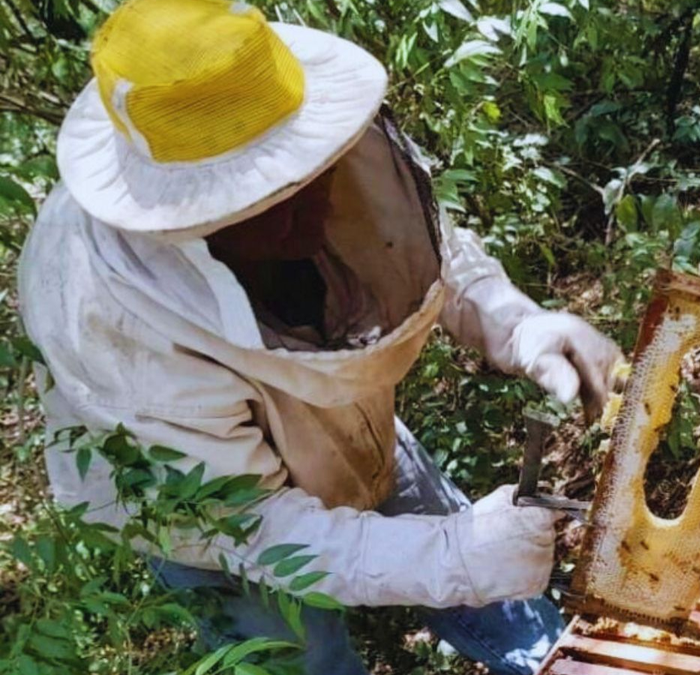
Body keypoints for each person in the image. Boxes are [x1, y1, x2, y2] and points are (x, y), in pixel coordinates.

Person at [17, 0, 622, 672]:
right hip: (222, 528)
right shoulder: (107, 314)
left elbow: (418, 245)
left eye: (305, 175)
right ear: (175, 217)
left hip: (352, 432)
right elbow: (253, 526)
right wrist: (446, 556)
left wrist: (509, 317)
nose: (308, 214)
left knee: (494, 574)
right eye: (258, 206)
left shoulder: (335, 158)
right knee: (309, 656)